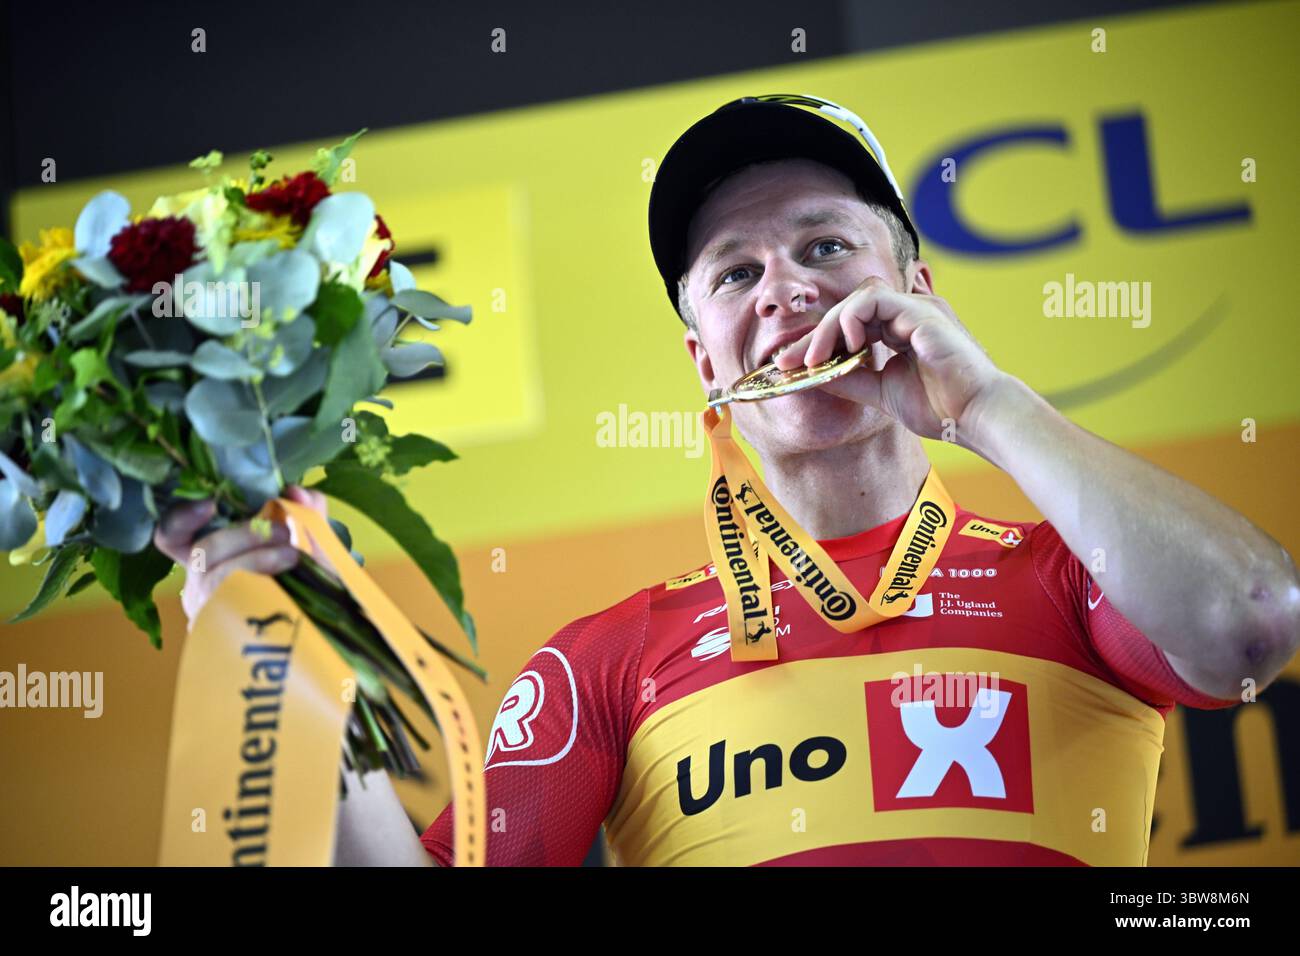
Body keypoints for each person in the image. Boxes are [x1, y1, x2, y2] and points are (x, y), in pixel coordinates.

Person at [156, 94, 1300, 867]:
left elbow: (1249, 621)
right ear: (703, 359)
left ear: (919, 291)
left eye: (824, 247)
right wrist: (279, 646)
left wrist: (985, 405)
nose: (784, 291)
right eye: (735, 271)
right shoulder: (612, 656)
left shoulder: (1069, 575)